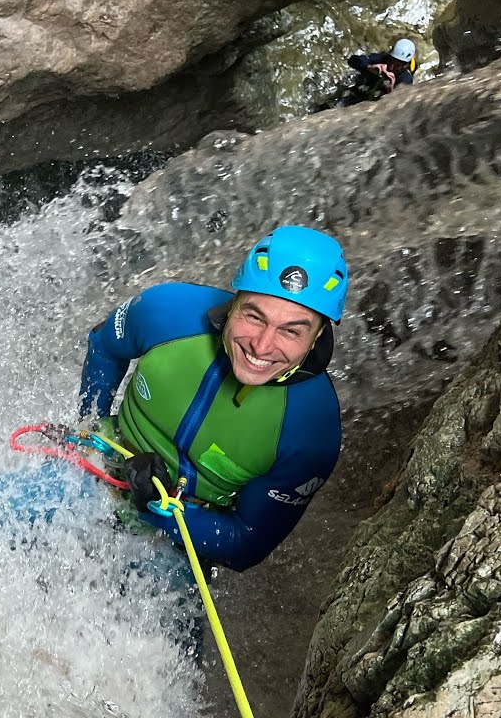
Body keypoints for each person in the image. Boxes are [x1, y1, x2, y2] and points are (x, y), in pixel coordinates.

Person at [78, 225, 347, 572]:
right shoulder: (168, 313)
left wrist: (159, 507)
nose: (261, 347)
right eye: (254, 316)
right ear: (235, 301)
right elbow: (104, 346)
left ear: (318, 335)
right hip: (99, 463)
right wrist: (87, 424)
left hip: (172, 542)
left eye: (291, 330)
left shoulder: (311, 429)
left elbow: (246, 544)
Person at [345, 38, 417, 99]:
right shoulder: (383, 59)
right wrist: (369, 67)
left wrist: (390, 90)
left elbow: (397, 104)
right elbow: (352, 61)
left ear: (405, 66)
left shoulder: (406, 78)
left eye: (397, 65)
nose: (391, 68)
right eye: (390, 61)